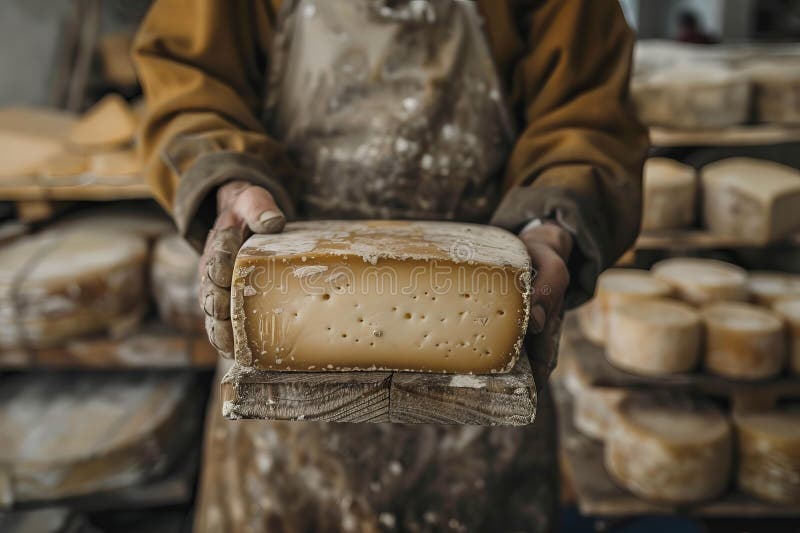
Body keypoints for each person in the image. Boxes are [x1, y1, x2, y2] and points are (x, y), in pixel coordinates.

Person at [134, 1, 648, 530]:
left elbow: (588, 114)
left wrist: (549, 223)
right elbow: (188, 82)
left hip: (481, 368)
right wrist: (229, 184)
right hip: (283, 362)